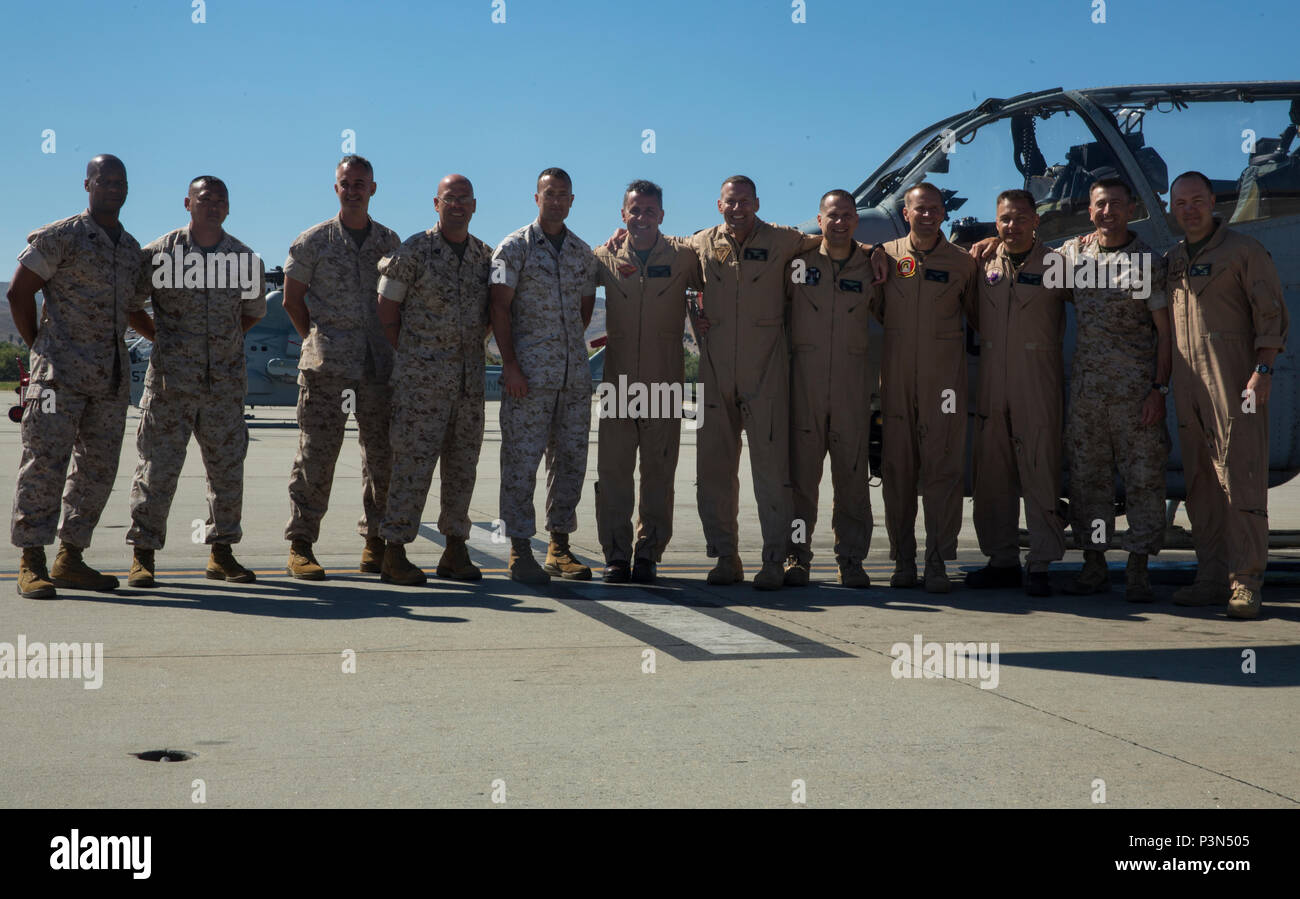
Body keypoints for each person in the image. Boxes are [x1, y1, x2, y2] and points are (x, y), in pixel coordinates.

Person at [8, 155, 145, 598]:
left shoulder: (129, 249)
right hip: (59, 377)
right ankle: (31, 560)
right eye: (104, 180)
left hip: (109, 380)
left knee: (97, 471)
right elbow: (19, 291)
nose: (113, 188)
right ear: (87, 185)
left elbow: (133, 308)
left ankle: (71, 557)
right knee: (45, 464)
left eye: (120, 182)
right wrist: (39, 347)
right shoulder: (61, 236)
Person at [125, 176, 266, 585]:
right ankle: (143, 555)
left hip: (223, 386)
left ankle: (221, 553)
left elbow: (253, 312)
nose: (214, 206)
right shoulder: (158, 255)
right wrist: (161, 338)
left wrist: (222, 342)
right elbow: (132, 306)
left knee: (226, 471)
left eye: (221, 200)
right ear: (188, 203)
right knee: (156, 469)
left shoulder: (244, 260)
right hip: (170, 384)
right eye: (205, 199)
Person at [684, 176, 822, 590]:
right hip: (716, 371)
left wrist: (880, 252)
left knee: (771, 471)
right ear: (719, 204)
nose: (738, 207)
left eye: (745, 201)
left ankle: (774, 559)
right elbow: (663, 252)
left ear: (757, 203)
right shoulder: (701, 243)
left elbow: (833, 240)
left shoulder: (783, 239)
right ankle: (726, 557)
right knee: (713, 470)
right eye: (731, 201)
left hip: (766, 373)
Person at [1166, 171, 1288, 619]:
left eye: (1197, 201)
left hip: (1235, 379)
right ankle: (1211, 577)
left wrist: (1263, 370)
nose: (1189, 209)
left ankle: (1246, 581)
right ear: (1172, 208)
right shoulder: (1173, 258)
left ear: (1212, 201)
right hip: (1188, 385)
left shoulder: (1243, 250)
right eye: (1181, 203)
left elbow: (1270, 313)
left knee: (1242, 481)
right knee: (1201, 485)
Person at [282, 156, 400, 579]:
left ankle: (376, 543)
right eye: (345, 183)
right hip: (327, 369)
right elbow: (291, 300)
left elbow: (399, 302)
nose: (352, 190)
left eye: (360, 183)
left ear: (373, 188)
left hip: (377, 369)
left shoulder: (390, 241)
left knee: (382, 458)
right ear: (336, 189)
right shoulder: (313, 241)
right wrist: (317, 340)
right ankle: (301, 544)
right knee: (316, 457)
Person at [374, 174, 491, 586]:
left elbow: (491, 317)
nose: (456, 205)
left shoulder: (484, 257)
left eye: (464, 199)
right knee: (411, 467)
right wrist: (415, 356)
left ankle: (455, 550)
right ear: (436, 204)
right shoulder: (412, 252)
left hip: (468, 386)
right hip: (421, 386)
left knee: (463, 469)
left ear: (474, 206)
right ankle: (394, 552)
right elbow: (387, 311)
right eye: (449, 199)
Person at [1058, 178, 1170, 602]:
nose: (1108, 212)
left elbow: (1165, 333)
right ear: (1090, 211)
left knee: (1144, 481)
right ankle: (1094, 564)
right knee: (1090, 483)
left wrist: (1159, 389)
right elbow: (1028, 256)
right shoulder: (1074, 254)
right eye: (1101, 205)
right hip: (1088, 396)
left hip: (1135, 395)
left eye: (1116, 205)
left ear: (1132, 208)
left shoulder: (1148, 262)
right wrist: (990, 241)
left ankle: (1139, 566)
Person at [490, 168, 598, 584]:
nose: (556, 201)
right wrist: (512, 363)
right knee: (521, 463)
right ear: (536, 198)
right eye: (549, 194)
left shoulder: (581, 252)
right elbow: (499, 308)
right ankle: (519, 549)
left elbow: (585, 309)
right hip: (527, 379)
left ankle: (560, 546)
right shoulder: (512, 248)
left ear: (572, 200)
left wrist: (567, 346)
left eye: (563, 195)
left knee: (570, 462)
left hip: (573, 379)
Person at [591, 180, 700, 583]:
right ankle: (617, 555)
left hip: (664, 387)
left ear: (662, 216)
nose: (641, 217)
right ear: (623, 214)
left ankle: (648, 554)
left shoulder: (684, 256)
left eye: (650, 211)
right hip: (618, 387)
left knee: (659, 475)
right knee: (614, 475)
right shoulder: (603, 257)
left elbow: (721, 263)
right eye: (634, 210)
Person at [872, 182, 979, 593]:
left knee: (943, 472)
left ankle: (937, 560)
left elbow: (976, 318)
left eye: (935, 208)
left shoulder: (962, 263)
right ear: (906, 213)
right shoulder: (886, 257)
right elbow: (877, 309)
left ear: (943, 213)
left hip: (945, 386)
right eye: (920, 209)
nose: (928, 214)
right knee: (898, 473)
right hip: (897, 383)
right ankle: (904, 561)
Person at [966, 190, 1070, 596]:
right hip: (993, 378)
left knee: (1039, 468)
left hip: (1037, 378)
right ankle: (1001, 559)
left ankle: (1041, 562)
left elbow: (1095, 304)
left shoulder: (1057, 265)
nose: (1013, 226)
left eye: (1021, 218)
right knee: (993, 473)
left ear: (1036, 220)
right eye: (1005, 219)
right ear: (996, 222)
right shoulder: (981, 262)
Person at [783, 190, 876, 587]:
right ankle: (796, 557)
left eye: (847, 216)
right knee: (802, 484)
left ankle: (851, 560)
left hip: (852, 393)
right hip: (804, 390)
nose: (840, 222)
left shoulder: (873, 266)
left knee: (852, 481)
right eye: (832, 216)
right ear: (819, 220)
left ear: (856, 220)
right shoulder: (797, 265)